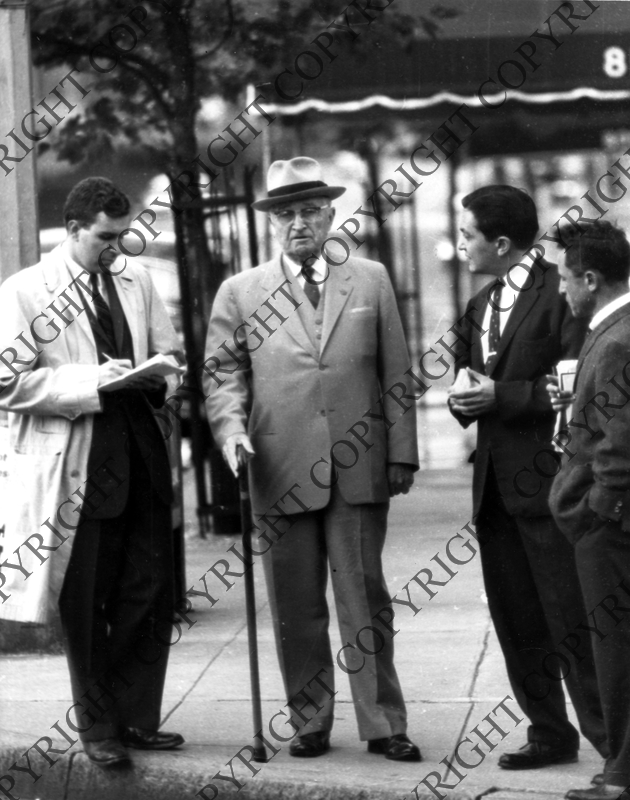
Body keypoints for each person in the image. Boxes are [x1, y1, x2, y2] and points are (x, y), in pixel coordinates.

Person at [204, 157, 421, 761]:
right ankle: (310, 720)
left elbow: (397, 373)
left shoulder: (370, 279)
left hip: (358, 466)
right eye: (285, 214)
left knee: (364, 597)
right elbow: (221, 373)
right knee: (296, 605)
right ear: (273, 222)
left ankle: (384, 723)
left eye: (308, 210)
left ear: (331, 214)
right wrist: (229, 430)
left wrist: (401, 453)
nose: (297, 223)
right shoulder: (241, 292)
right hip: (278, 465)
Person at [0, 177, 184, 767]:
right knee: (88, 598)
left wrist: (165, 376)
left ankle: (137, 717)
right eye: (105, 237)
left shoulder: (139, 280)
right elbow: (7, 380)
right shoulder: (26, 292)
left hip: (142, 457)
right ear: (74, 228)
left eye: (123, 235)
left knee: (150, 590)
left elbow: (170, 353)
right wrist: (92, 381)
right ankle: (99, 726)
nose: (116, 248)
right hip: (78, 464)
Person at [447, 185, 607, 774]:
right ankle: (548, 732)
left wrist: (501, 395)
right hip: (494, 491)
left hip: (548, 489)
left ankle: (614, 745)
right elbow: (472, 384)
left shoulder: (559, 295)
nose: (461, 245)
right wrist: (464, 401)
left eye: (467, 236)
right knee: (516, 621)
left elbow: (574, 388)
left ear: (502, 242)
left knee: (571, 621)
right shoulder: (479, 304)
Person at [549, 220, 630, 800]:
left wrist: (597, 511)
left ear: (592, 279)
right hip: (605, 520)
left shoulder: (618, 338)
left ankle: (623, 773)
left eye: (564, 279)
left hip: (610, 528)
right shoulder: (614, 330)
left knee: (617, 651)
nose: (561, 290)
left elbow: (620, 447)